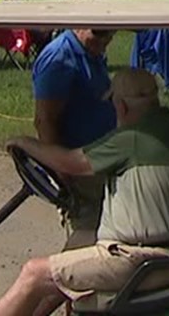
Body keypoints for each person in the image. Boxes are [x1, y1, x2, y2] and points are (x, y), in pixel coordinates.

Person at [0, 68, 169, 316]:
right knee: (77, 243)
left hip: (137, 259)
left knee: (33, 274)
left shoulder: (131, 138)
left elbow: (70, 162)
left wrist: (25, 143)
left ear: (121, 106)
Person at [31, 21, 117, 250]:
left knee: (105, 228)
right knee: (89, 233)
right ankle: (68, 281)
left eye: (110, 33)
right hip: (78, 166)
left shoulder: (91, 52)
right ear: (80, 25)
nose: (105, 39)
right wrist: (61, 171)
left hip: (99, 161)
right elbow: (45, 120)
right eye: (98, 32)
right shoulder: (60, 58)